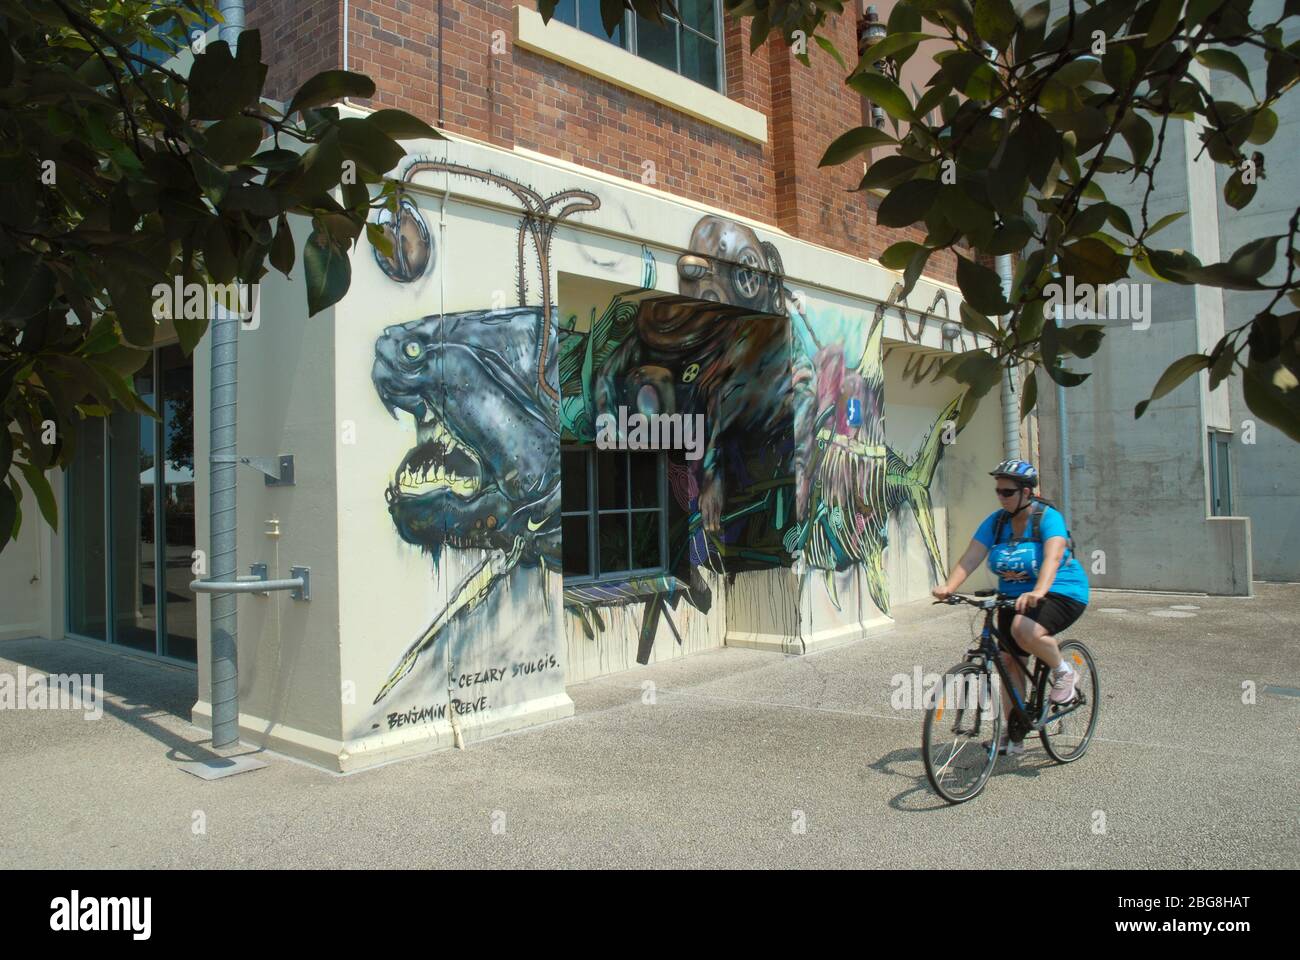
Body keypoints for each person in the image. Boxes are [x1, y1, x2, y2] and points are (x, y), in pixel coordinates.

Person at [931, 459, 1090, 755]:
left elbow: (1053, 558)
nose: (1001, 497)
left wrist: (1039, 590)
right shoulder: (997, 522)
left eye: (1007, 491)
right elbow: (971, 557)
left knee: (1022, 628)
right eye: (998, 492)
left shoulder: (1047, 518)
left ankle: (1064, 671)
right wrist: (948, 587)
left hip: (1060, 590)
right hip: (1012, 597)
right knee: (1007, 661)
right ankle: (1013, 733)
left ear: (1026, 492)